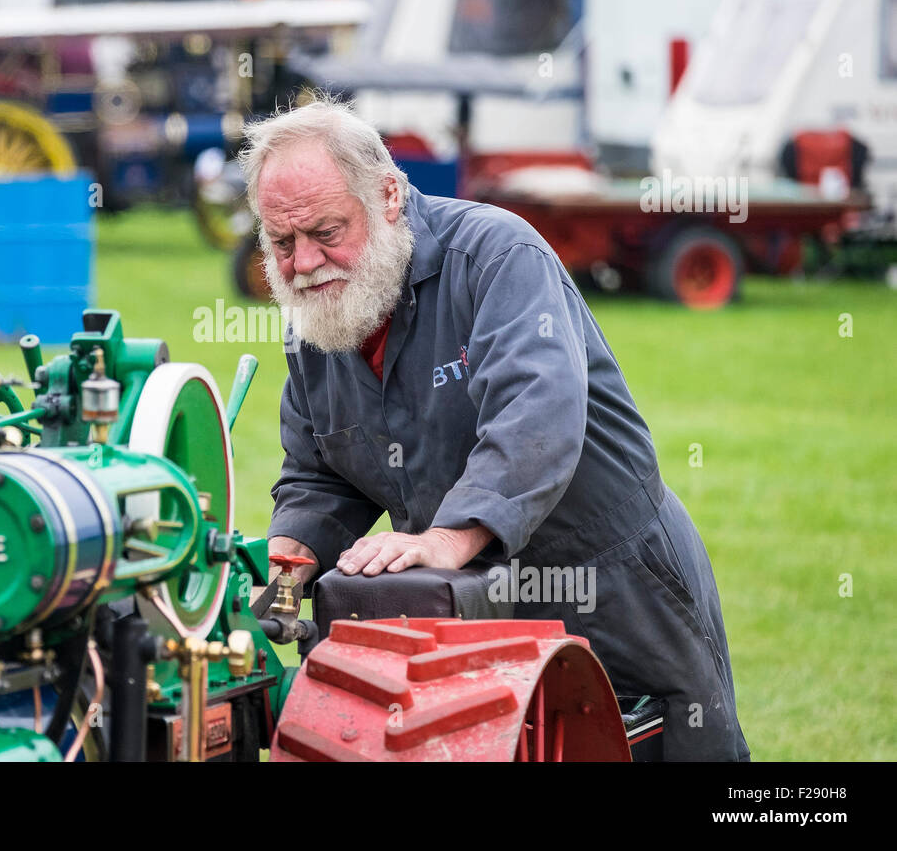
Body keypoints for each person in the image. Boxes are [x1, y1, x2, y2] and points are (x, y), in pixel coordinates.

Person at [247, 95, 749, 761]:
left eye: (326, 232)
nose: (304, 263)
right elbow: (320, 472)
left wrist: (453, 535)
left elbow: (535, 412)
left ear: (389, 195)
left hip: (613, 582)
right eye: (282, 243)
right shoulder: (320, 317)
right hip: (463, 601)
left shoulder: (495, 253)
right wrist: (290, 562)